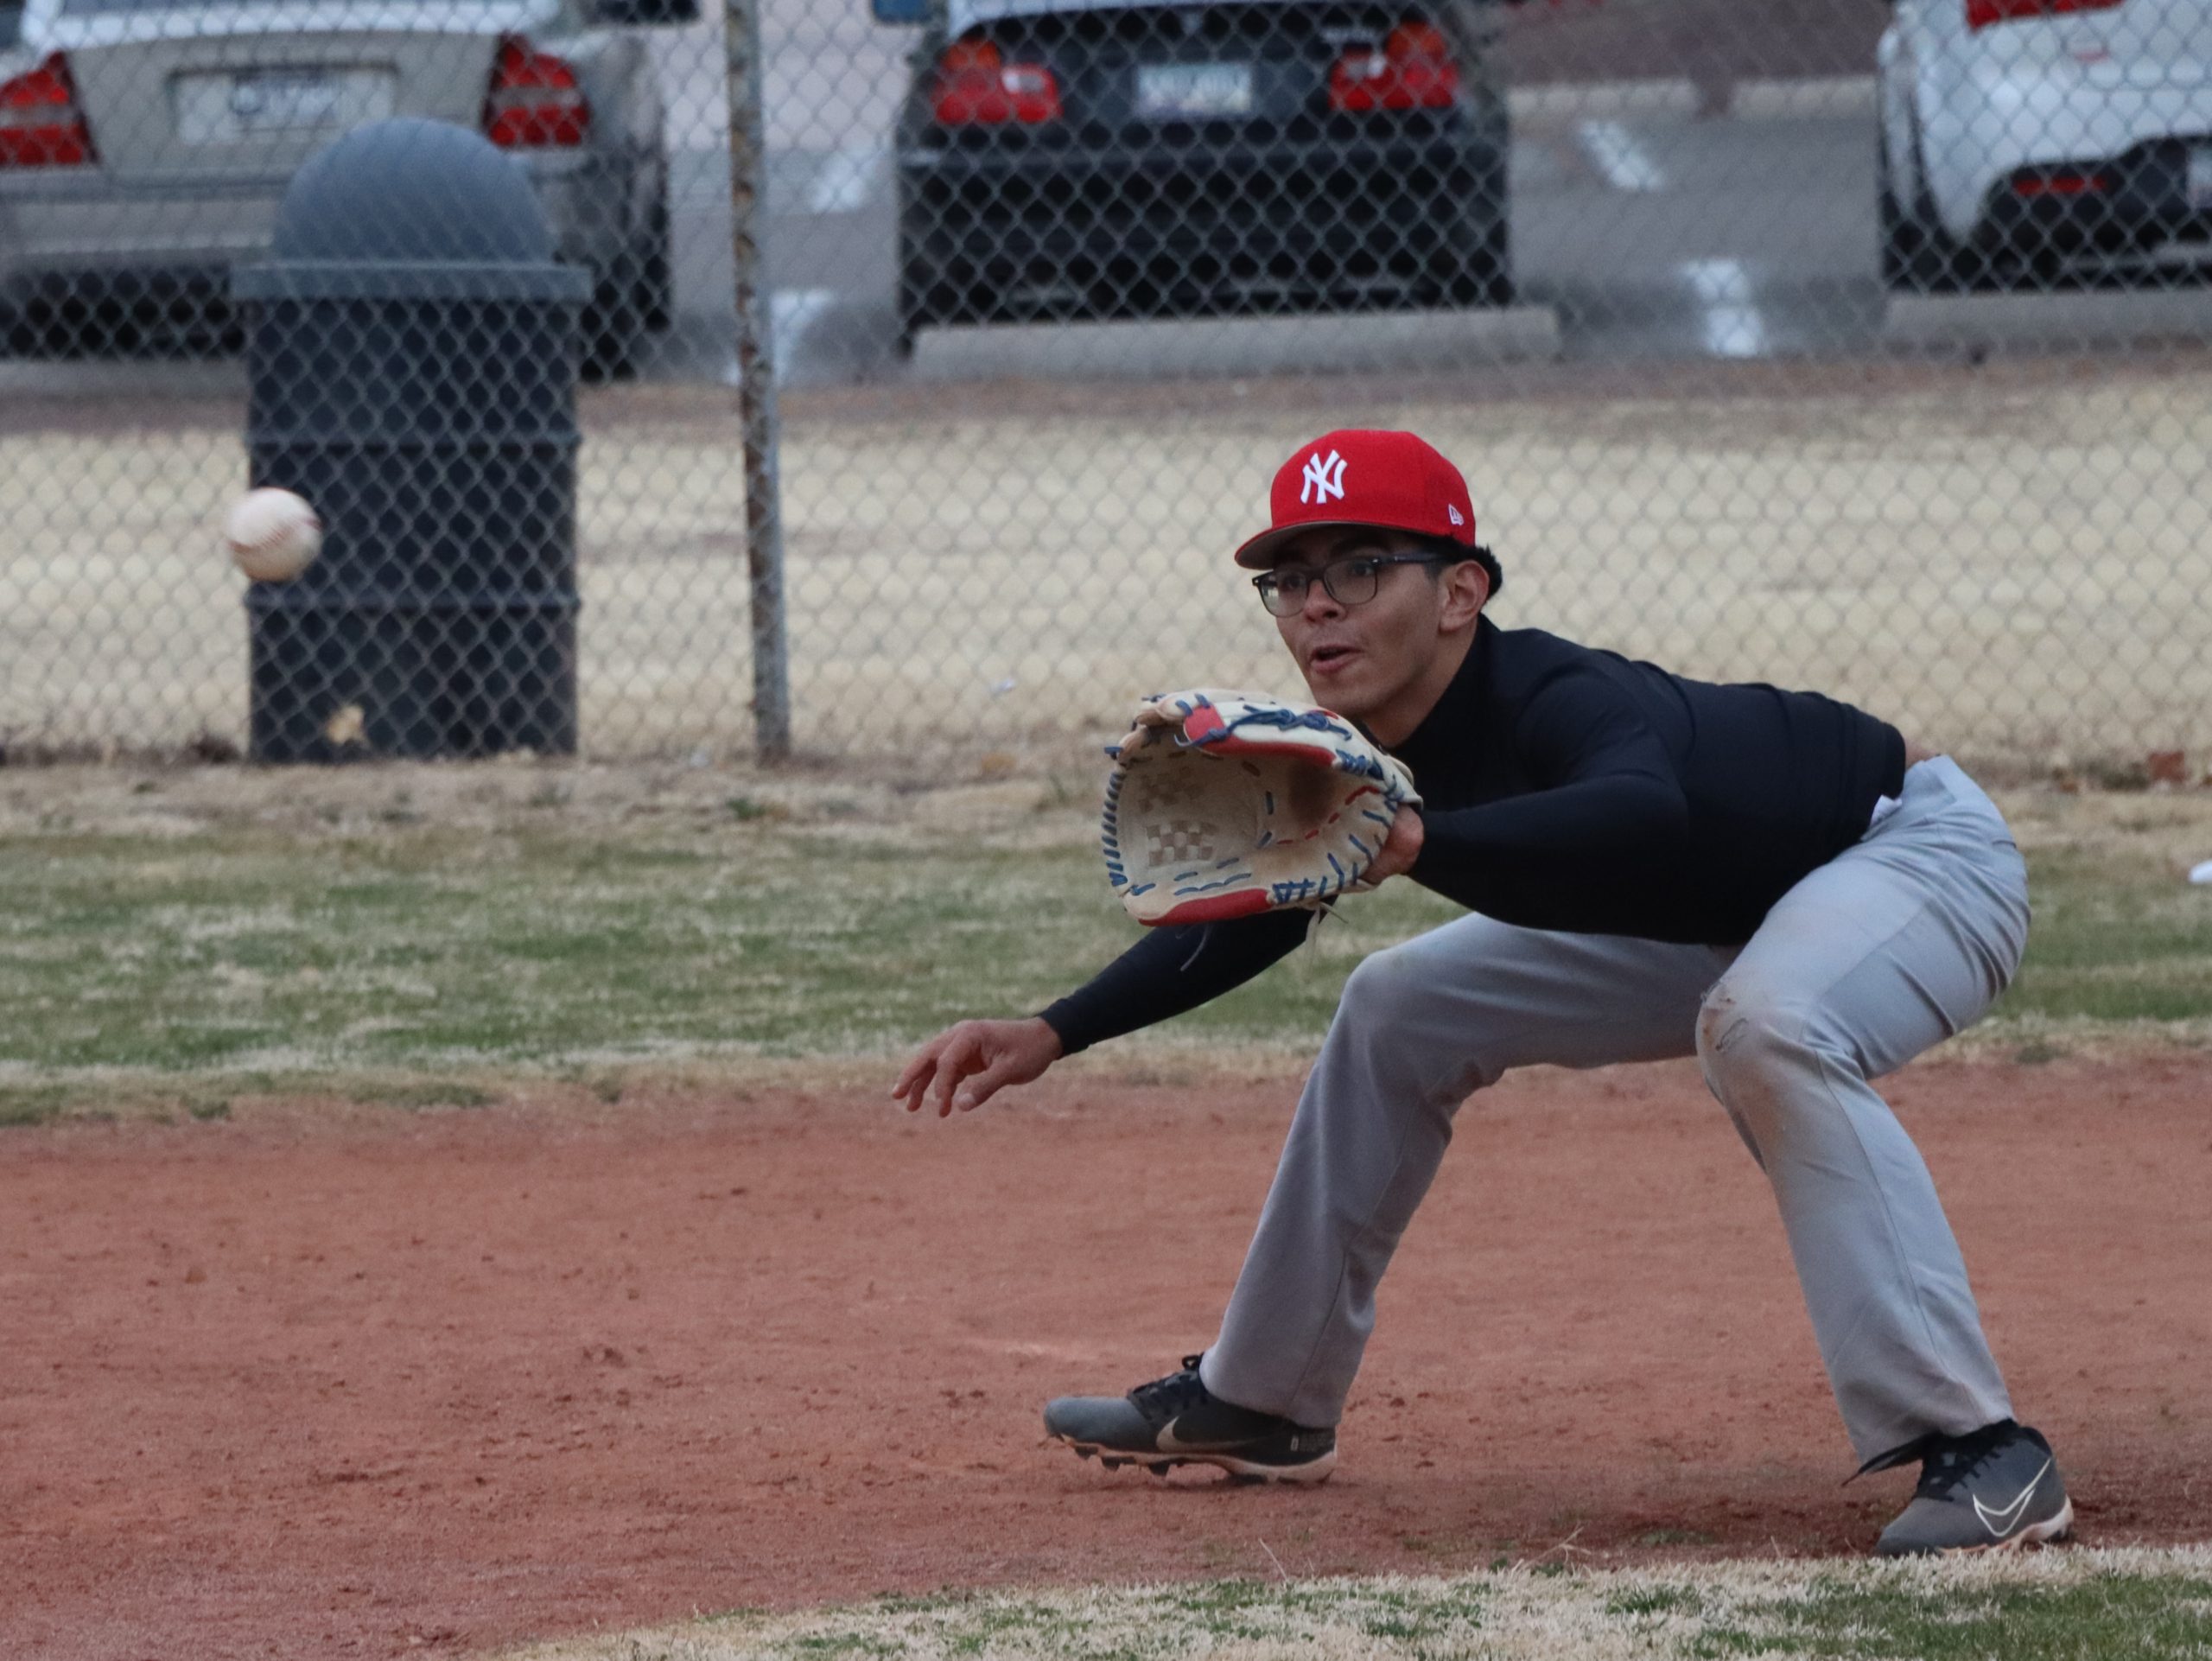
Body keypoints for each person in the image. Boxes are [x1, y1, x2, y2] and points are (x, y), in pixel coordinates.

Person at [891, 429, 2070, 1558]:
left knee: (1764, 1024)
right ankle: (1264, 1398)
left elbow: (1638, 807)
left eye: (1361, 565)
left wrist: (1419, 838)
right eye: (1292, 578)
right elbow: (1278, 911)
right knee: (1398, 1003)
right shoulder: (1364, 754)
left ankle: (1983, 1447)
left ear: (1460, 591)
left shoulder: (1552, 691)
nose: (1319, 603)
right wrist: (1057, 1027)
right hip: (1732, 915)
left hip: (1912, 860)